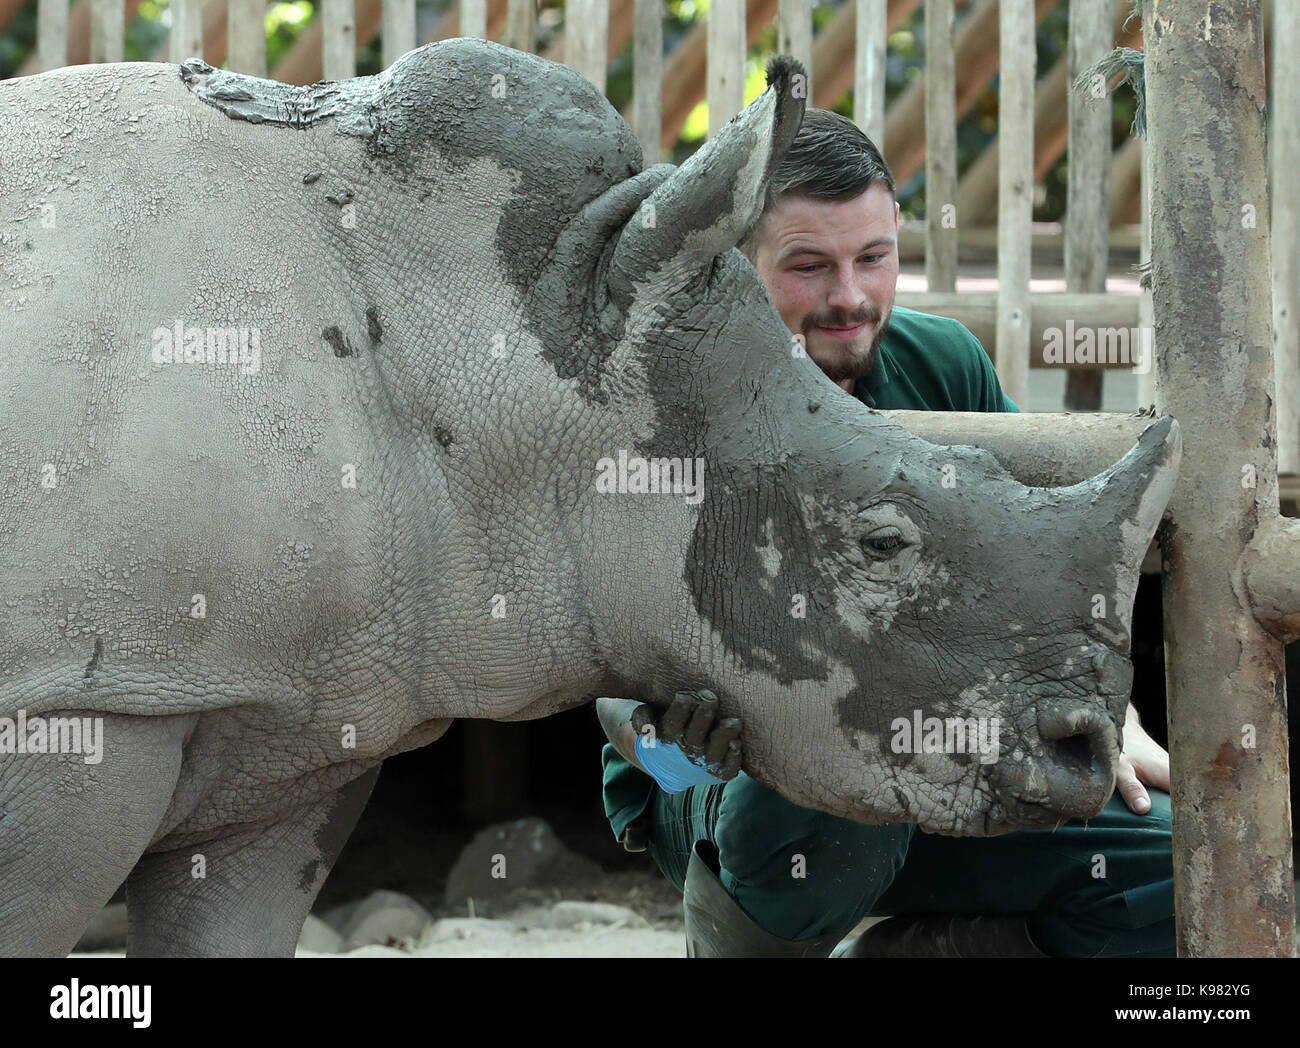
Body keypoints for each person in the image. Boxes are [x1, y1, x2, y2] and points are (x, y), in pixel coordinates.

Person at [595, 108, 1175, 958]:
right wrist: (669, 744)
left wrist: (1112, 719)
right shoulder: (662, 408)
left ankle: (943, 945)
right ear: (734, 263)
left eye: (873, 258)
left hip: (962, 751)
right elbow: (616, 689)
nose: (850, 297)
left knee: (1166, 857)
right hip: (757, 790)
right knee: (836, 778)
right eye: (808, 266)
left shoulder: (947, 364)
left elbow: (1035, 582)